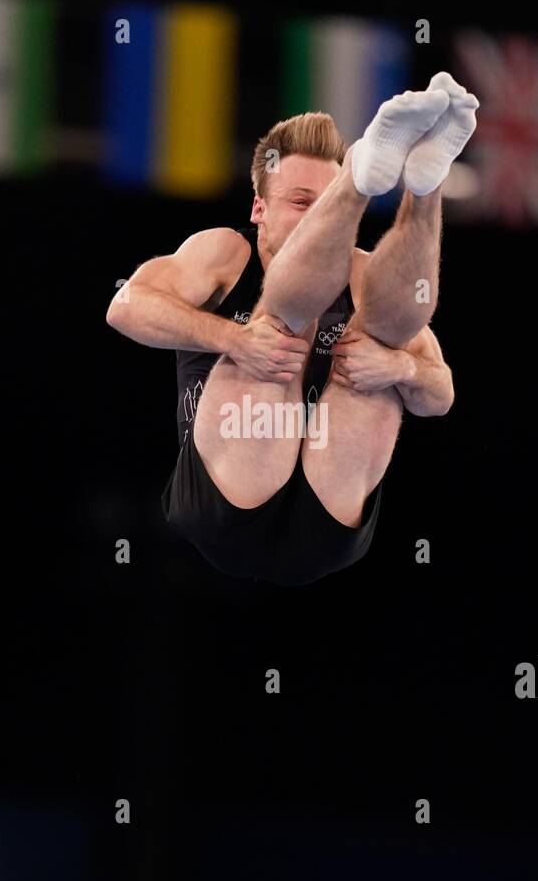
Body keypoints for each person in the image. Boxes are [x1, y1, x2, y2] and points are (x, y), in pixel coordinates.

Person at [107, 72, 479, 585]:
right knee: (277, 330)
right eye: (304, 203)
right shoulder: (223, 253)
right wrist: (233, 338)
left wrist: (399, 365)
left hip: (330, 514)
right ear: (259, 208)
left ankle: (427, 183)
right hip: (226, 498)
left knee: (377, 345)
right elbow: (124, 306)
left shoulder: (366, 273)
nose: (315, 222)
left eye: (329, 208)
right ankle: (358, 183)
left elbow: (440, 394)